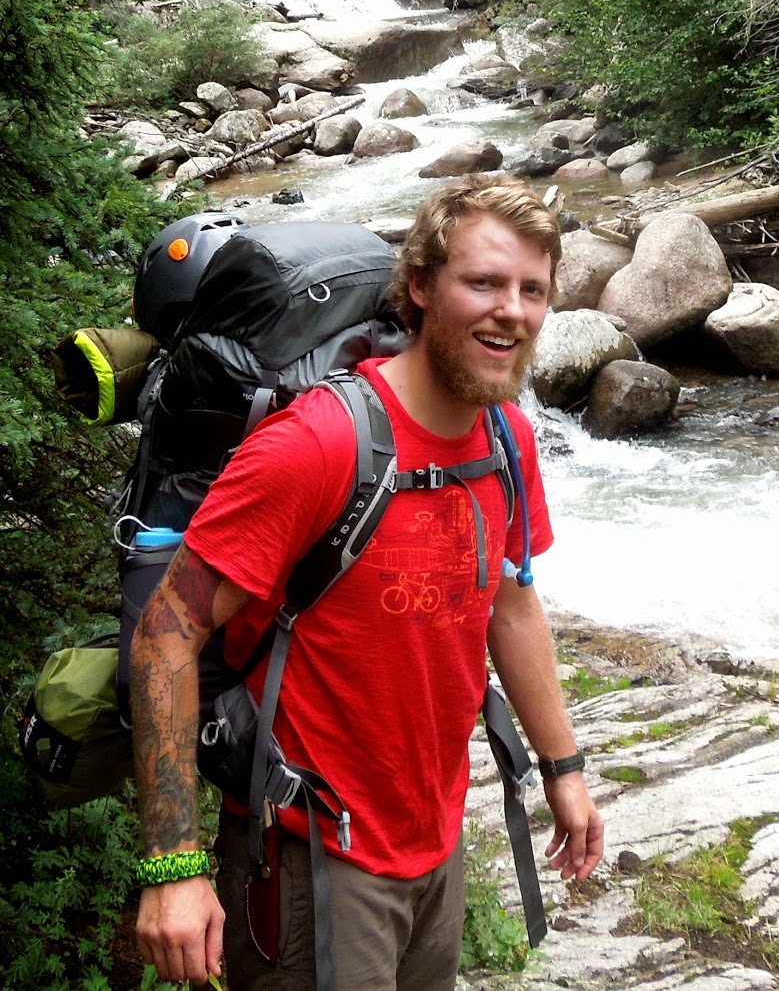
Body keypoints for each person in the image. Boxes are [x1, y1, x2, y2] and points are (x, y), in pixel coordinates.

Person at [129, 174, 604, 989]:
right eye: (484, 282)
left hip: (435, 842)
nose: (512, 312)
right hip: (310, 855)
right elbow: (164, 635)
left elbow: (512, 602)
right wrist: (173, 867)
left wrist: (563, 769)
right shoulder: (317, 444)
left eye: (533, 290)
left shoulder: (506, 437)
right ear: (420, 286)